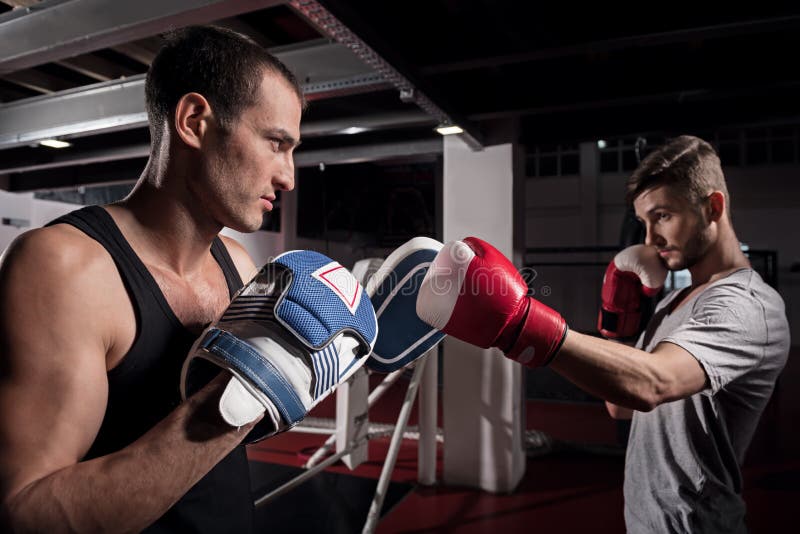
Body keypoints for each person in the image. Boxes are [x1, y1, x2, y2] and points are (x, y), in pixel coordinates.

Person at [0, 26, 303, 532]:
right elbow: (23, 508)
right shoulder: (65, 269)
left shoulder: (239, 266)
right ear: (194, 121)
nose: (288, 176)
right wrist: (227, 404)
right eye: (276, 143)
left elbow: (230, 450)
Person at [417, 135, 790, 533]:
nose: (650, 239)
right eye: (644, 222)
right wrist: (620, 321)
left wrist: (523, 326)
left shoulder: (747, 306)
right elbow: (622, 407)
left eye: (662, 216)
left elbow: (654, 382)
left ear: (712, 207)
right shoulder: (673, 302)